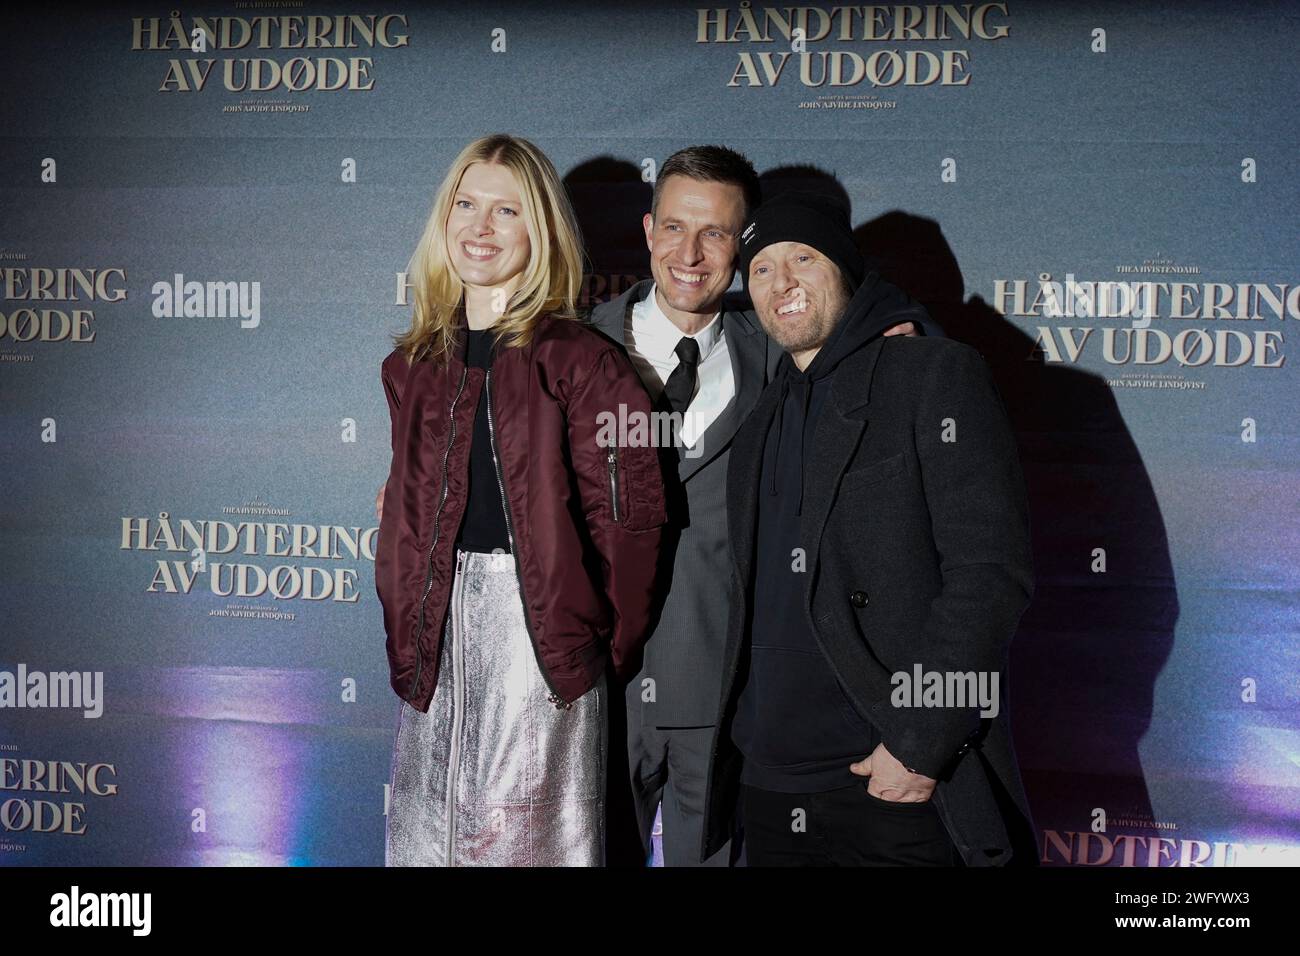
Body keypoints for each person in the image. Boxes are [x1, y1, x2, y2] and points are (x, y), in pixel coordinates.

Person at [588, 148, 920, 866]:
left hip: (724, 696)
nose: (690, 253)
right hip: (597, 694)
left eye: (716, 234)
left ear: (743, 246)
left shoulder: (775, 350)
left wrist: (908, 324)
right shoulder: (575, 347)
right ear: (647, 230)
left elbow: (859, 303)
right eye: (675, 227)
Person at [701, 191, 1038, 866]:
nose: (782, 281)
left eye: (803, 257)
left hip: (889, 783)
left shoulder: (930, 375)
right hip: (768, 787)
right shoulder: (761, 417)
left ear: (847, 272)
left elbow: (989, 574)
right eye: (761, 268)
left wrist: (920, 742)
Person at [374, 133, 667, 866]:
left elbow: (631, 519)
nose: (481, 227)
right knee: (425, 841)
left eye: (507, 210)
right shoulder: (412, 363)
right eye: (466, 205)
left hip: (541, 640)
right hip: (431, 639)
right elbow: (411, 507)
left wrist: (593, 638)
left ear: (540, 230)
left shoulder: (585, 361)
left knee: (527, 845)